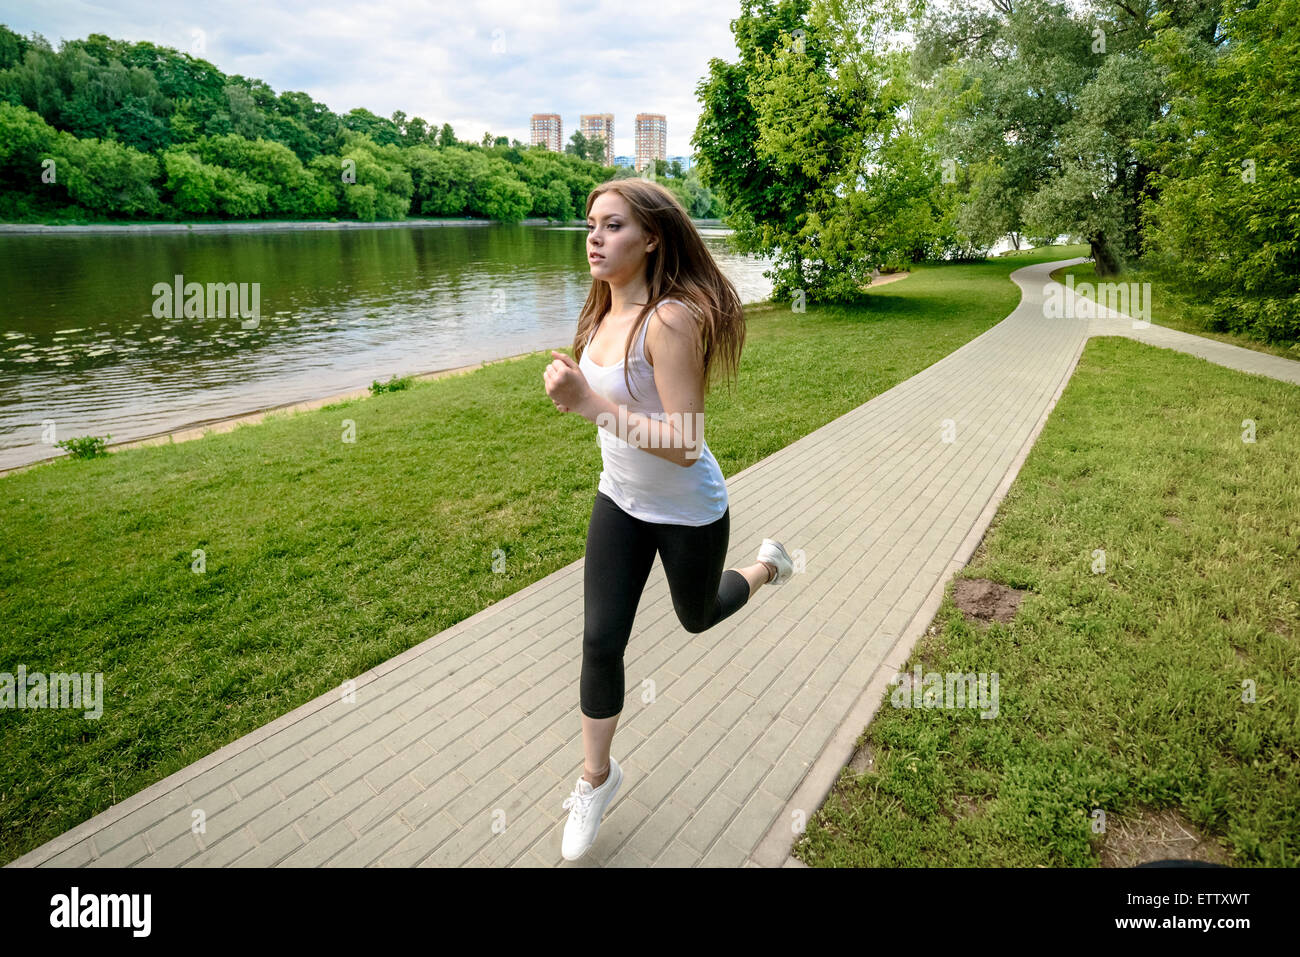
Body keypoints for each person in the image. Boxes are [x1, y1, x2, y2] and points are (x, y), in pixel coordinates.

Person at [542, 178, 794, 861]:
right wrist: (579, 389)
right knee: (600, 641)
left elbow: (684, 443)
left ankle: (768, 565)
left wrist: (587, 402)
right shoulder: (599, 313)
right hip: (619, 501)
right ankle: (597, 776)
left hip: (688, 512)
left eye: (613, 225)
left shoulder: (672, 319)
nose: (594, 237)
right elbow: (611, 405)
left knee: (698, 614)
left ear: (651, 237)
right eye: (590, 224)